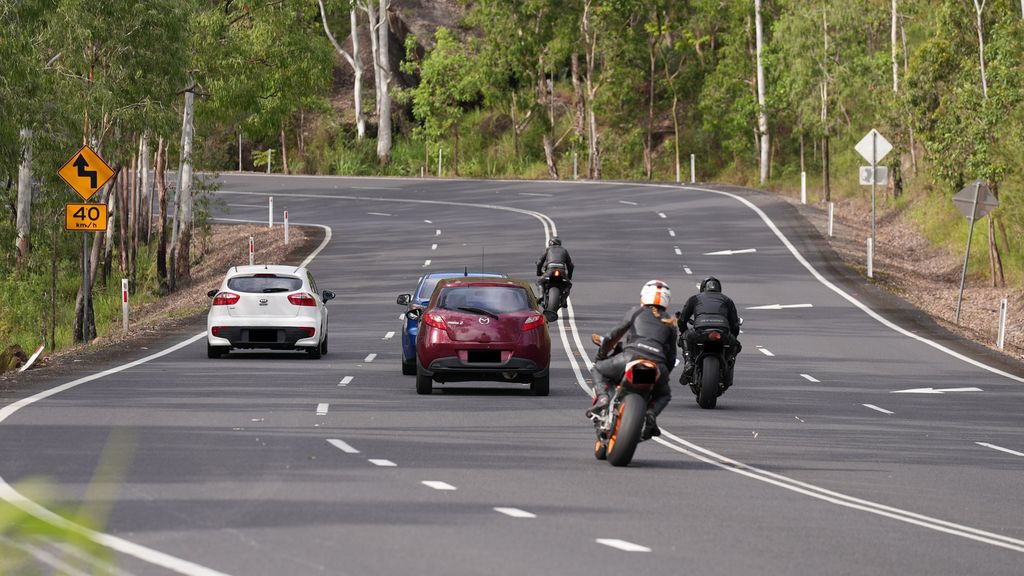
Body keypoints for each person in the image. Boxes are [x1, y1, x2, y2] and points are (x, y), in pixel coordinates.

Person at [586, 280, 676, 439]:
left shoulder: (637, 312)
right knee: (664, 395)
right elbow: (671, 357)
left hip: (631, 356)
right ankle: (651, 414)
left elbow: (613, 336)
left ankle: (603, 398)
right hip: (657, 365)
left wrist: (601, 355)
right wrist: (662, 375)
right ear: (667, 301)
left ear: (644, 297)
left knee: (598, 369)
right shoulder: (670, 322)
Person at [676, 276, 742, 384]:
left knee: (685, 337)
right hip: (722, 332)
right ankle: (729, 361)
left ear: (703, 288)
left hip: (700, 331)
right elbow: (735, 324)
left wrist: (684, 332)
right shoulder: (727, 300)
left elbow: (682, 320)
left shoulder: (695, 298)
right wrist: (733, 337)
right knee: (735, 344)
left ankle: (689, 362)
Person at [535, 236, 574, 307]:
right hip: (561, 271)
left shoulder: (548, 249)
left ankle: (541, 295)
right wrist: (569, 276)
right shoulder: (564, 250)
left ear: (550, 243)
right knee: (568, 284)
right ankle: (564, 299)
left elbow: (539, 263)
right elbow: (570, 265)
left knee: (539, 281)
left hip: (550, 270)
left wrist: (538, 272)